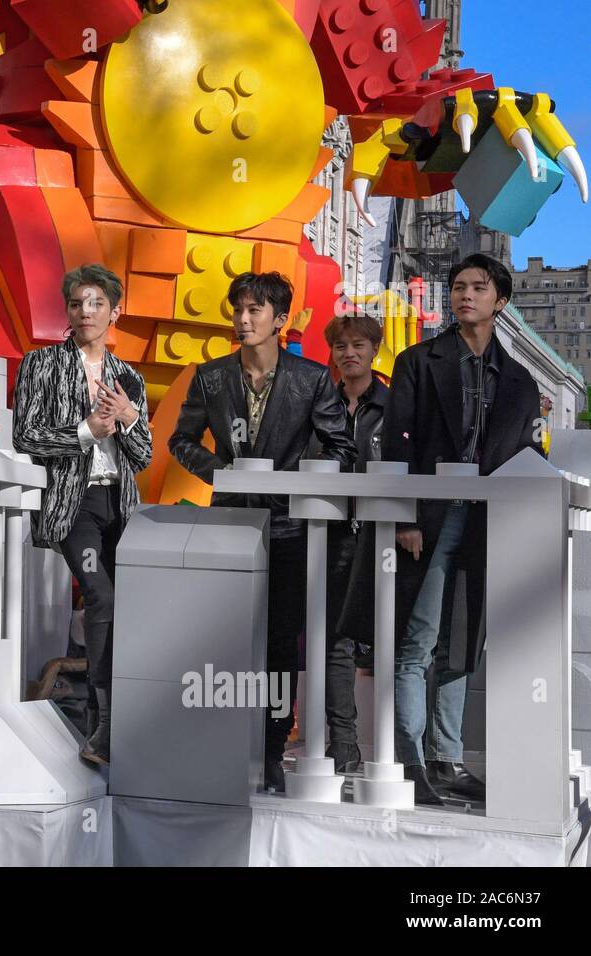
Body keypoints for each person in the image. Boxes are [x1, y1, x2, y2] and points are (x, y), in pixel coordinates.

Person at [168, 272, 356, 792]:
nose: (244, 320)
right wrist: (222, 473)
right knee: (224, 635)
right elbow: (181, 440)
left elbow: (343, 449)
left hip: (289, 528)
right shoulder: (210, 376)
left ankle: (272, 748)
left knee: (277, 643)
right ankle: (223, 740)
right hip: (229, 522)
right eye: (237, 310)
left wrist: (292, 480)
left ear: (281, 320)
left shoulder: (311, 378)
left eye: (255, 310)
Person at [382, 253, 544, 805]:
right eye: (457, 287)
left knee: (462, 645)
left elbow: (523, 455)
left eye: (478, 287)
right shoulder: (418, 361)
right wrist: (404, 516)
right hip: (429, 518)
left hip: (485, 521)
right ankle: (411, 760)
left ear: (501, 301)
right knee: (419, 641)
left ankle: (448, 760)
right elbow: (396, 441)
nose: (464, 295)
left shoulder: (519, 381)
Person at [12, 263, 152, 766]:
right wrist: (87, 430)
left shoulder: (128, 376)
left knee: (124, 608)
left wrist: (129, 420)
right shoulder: (42, 365)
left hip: (121, 502)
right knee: (101, 596)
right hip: (74, 502)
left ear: (115, 312)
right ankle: (104, 720)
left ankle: (106, 722)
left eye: (96, 304)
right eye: (76, 303)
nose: (85, 312)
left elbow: (145, 455)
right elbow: (25, 436)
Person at [316, 312, 389, 774]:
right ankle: (343, 742)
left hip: (387, 533)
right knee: (336, 640)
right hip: (332, 532)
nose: (350, 354)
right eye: (342, 346)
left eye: (359, 345)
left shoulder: (398, 405)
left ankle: (401, 748)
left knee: (391, 640)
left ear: (374, 351)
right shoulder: (321, 404)